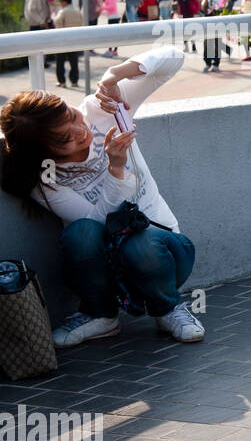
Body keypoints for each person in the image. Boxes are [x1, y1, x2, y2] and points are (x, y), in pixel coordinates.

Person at [0, 47, 204, 348]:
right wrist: (115, 169)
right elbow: (98, 224)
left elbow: (173, 57)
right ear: (42, 153)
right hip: (109, 267)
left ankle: (169, 308)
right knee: (79, 233)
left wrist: (114, 75)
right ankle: (101, 316)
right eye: (63, 138)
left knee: (140, 242)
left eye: (71, 115)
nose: (79, 130)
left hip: (162, 251)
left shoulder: (101, 109)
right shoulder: (45, 179)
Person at [52, 0, 82, 88]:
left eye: (61, 2)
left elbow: (57, 22)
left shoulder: (63, 11)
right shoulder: (77, 11)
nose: (60, 4)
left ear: (64, 2)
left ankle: (62, 81)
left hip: (63, 40)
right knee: (74, 62)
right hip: (75, 39)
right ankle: (74, 81)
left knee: (60, 61)